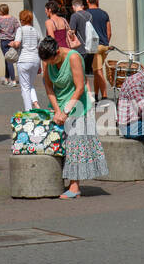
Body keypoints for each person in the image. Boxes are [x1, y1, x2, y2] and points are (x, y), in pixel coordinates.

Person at [38, 35, 107, 197]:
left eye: (51, 61)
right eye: (46, 62)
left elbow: (79, 88)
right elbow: (49, 87)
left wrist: (66, 111)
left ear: (57, 52)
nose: (49, 64)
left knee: (75, 145)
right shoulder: (47, 61)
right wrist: (57, 111)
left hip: (77, 106)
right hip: (60, 106)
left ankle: (74, 187)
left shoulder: (73, 57)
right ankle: (60, 181)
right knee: (57, 145)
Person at [10, 9, 43, 110]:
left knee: (25, 88)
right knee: (30, 85)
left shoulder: (21, 29)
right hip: (35, 60)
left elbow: (17, 43)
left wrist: (12, 43)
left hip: (24, 59)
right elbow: (40, 45)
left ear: (22, 20)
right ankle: (36, 104)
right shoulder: (35, 30)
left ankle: (28, 111)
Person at [85, 0, 112, 100]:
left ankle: (104, 96)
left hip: (94, 47)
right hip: (104, 46)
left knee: (98, 71)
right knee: (96, 70)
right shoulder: (104, 14)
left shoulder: (86, 14)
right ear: (97, 0)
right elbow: (109, 32)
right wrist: (106, 42)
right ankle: (96, 95)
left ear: (87, 0)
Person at [0, 4, 20, 86]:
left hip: (4, 42)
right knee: (7, 59)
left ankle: (13, 80)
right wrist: (14, 36)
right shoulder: (13, 19)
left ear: (2, 11)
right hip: (12, 41)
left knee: (9, 60)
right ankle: (7, 79)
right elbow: (18, 29)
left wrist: (0, 36)